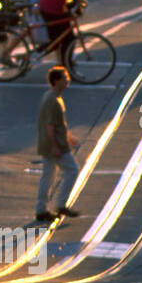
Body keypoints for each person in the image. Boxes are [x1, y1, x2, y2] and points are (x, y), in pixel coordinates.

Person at [36, 66, 82, 222]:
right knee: (72, 170)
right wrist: (55, 146)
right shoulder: (52, 100)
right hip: (54, 145)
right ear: (56, 81)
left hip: (51, 144)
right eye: (65, 77)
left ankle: (41, 209)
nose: (67, 80)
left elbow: (58, 123)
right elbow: (50, 126)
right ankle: (60, 204)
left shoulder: (52, 97)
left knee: (48, 176)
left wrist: (69, 137)